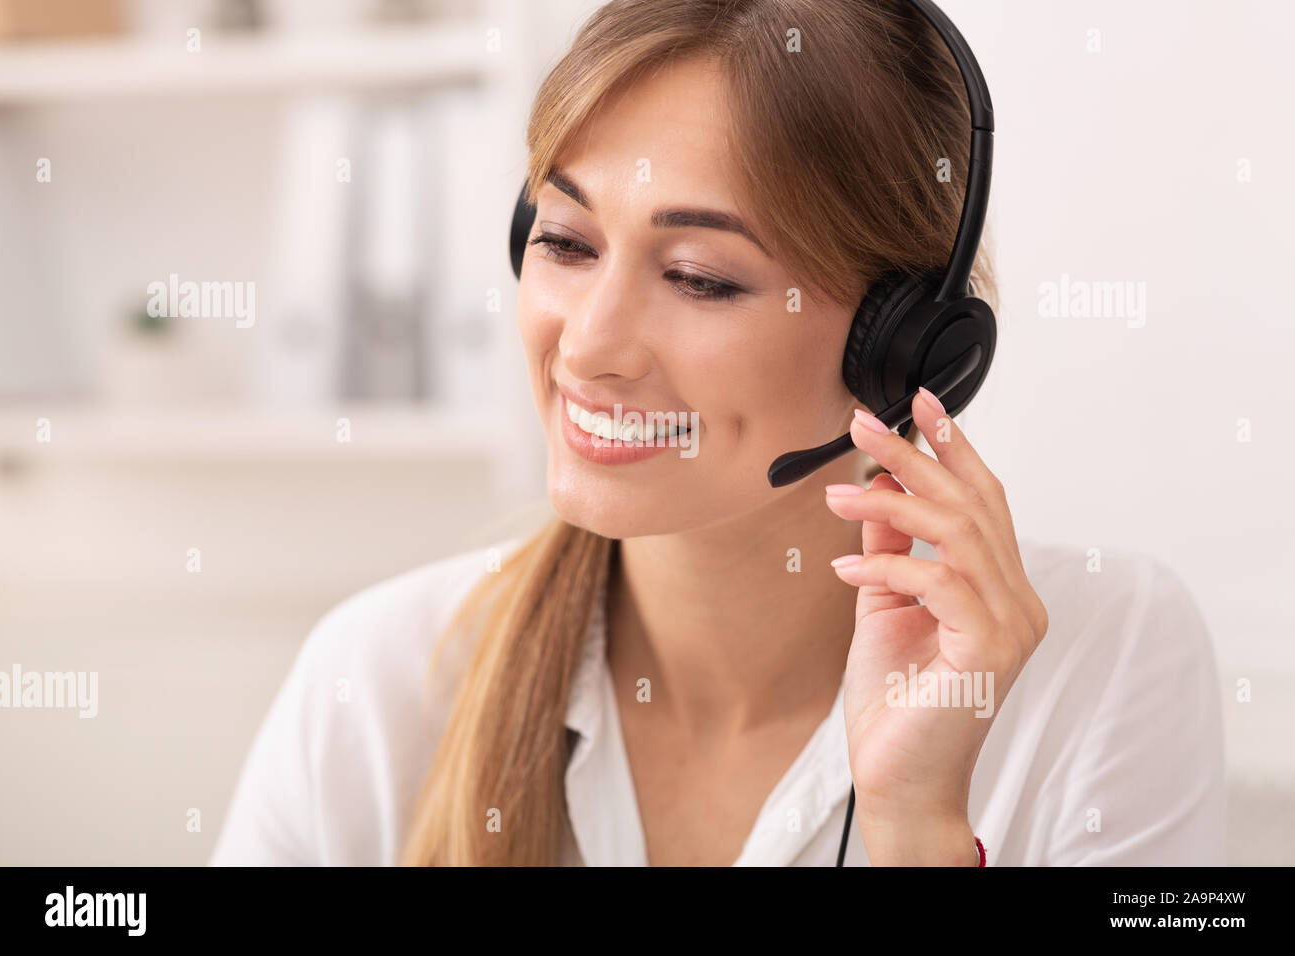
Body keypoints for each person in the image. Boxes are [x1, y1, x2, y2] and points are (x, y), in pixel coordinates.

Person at [210, 0, 1224, 866]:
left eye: (699, 276)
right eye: (565, 241)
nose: (590, 347)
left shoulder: (1106, 655)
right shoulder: (376, 679)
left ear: (905, 346)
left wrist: (918, 824)